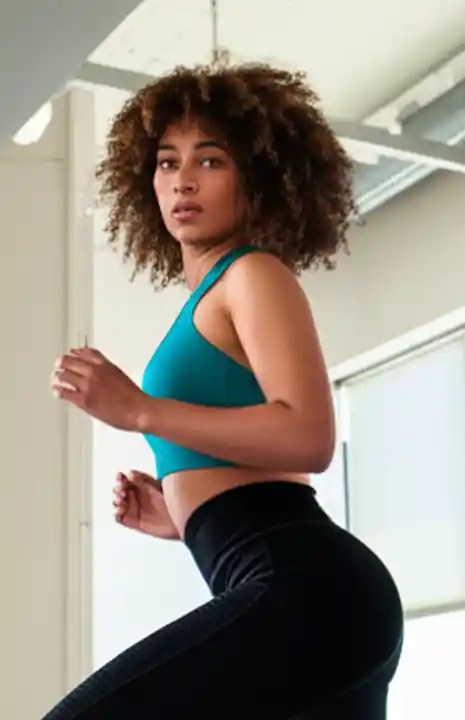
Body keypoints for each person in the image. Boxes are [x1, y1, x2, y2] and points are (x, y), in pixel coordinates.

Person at [44, 63, 404, 719]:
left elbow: (308, 436)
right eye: (166, 161)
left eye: (210, 160)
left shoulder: (253, 274)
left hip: (308, 586)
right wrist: (184, 517)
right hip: (309, 589)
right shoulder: (210, 298)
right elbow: (262, 469)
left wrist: (140, 410)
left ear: (257, 177)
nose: (181, 179)